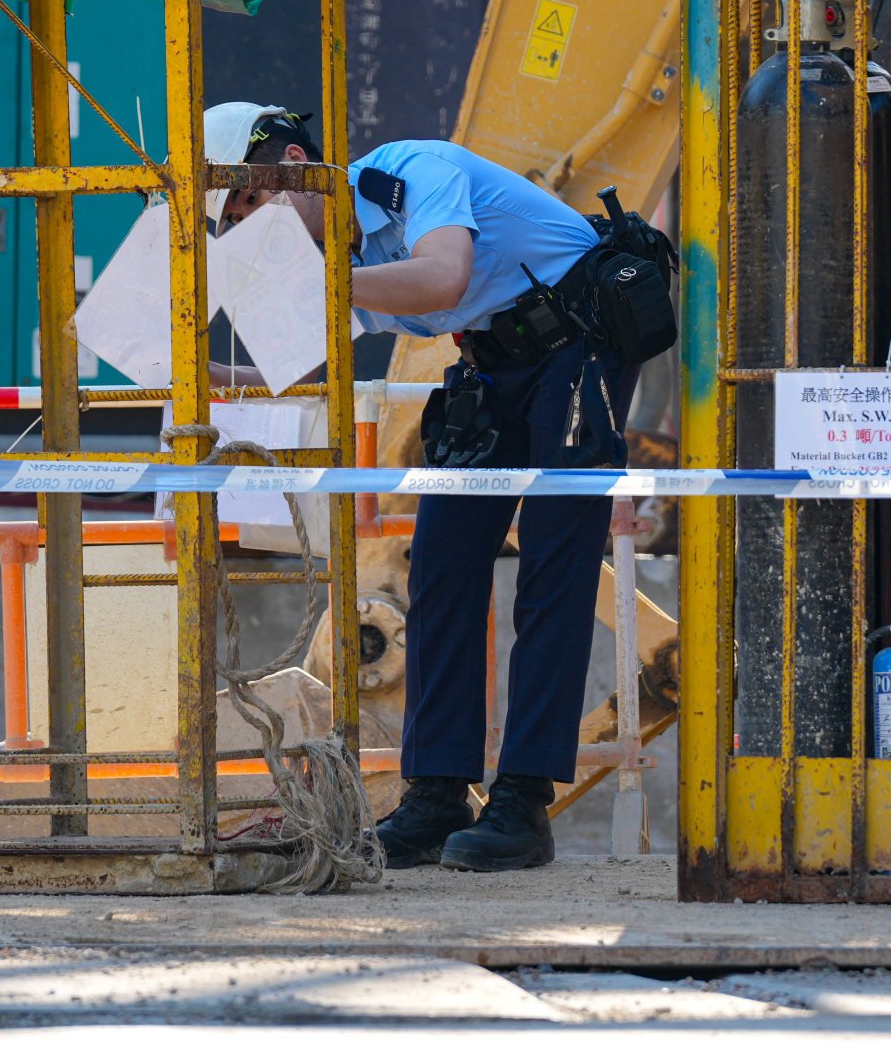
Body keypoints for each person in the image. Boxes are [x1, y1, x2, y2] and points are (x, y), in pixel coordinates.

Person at [204, 102, 664, 872]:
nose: (253, 222)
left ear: (290, 161)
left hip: (578, 342)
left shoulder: (410, 173)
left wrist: (319, 281)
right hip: (493, 359)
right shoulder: (334, 251)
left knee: (554, 567)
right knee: (443, 564)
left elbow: (442, 272)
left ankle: (522, 802)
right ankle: (437, 793)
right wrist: (203, 370)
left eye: (252, 198)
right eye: (237, 216)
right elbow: (303, 362)